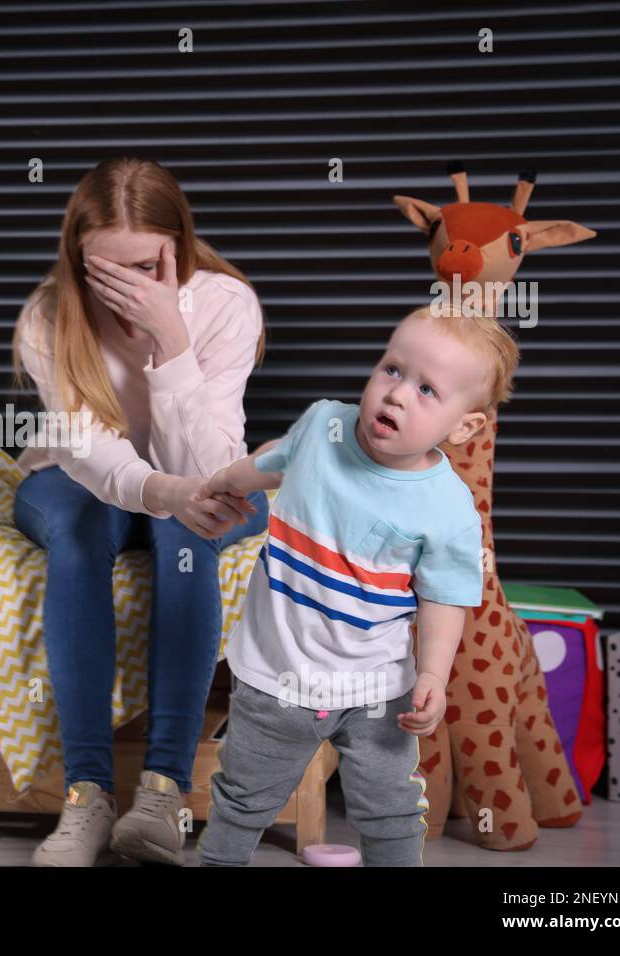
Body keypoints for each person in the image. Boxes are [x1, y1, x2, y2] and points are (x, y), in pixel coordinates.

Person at [10, 157, 269, 866]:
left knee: (186, 533)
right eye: (105, 272)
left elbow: (208, 467)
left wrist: (170, 339)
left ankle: (162, 795)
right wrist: (166, 494)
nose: (126, 291)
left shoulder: (224, 305)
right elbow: (92, 458)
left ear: (177, 248)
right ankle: (86, 797)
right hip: (78, 478)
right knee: (80, 529)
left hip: (203, 474)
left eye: (146, 267)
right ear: (75, 257)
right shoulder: (47, 318)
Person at [196, 305, 520, 866]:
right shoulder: (325, 425)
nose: (396, 394)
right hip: (276, 677)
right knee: (243, 797)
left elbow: (444, 600)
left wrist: (433, 676)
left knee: (391, 807)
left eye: (427, 390)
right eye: (392, 369)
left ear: (464, 425)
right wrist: (226, 482)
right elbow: (274, 460)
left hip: (376, 688)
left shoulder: (447, 509)